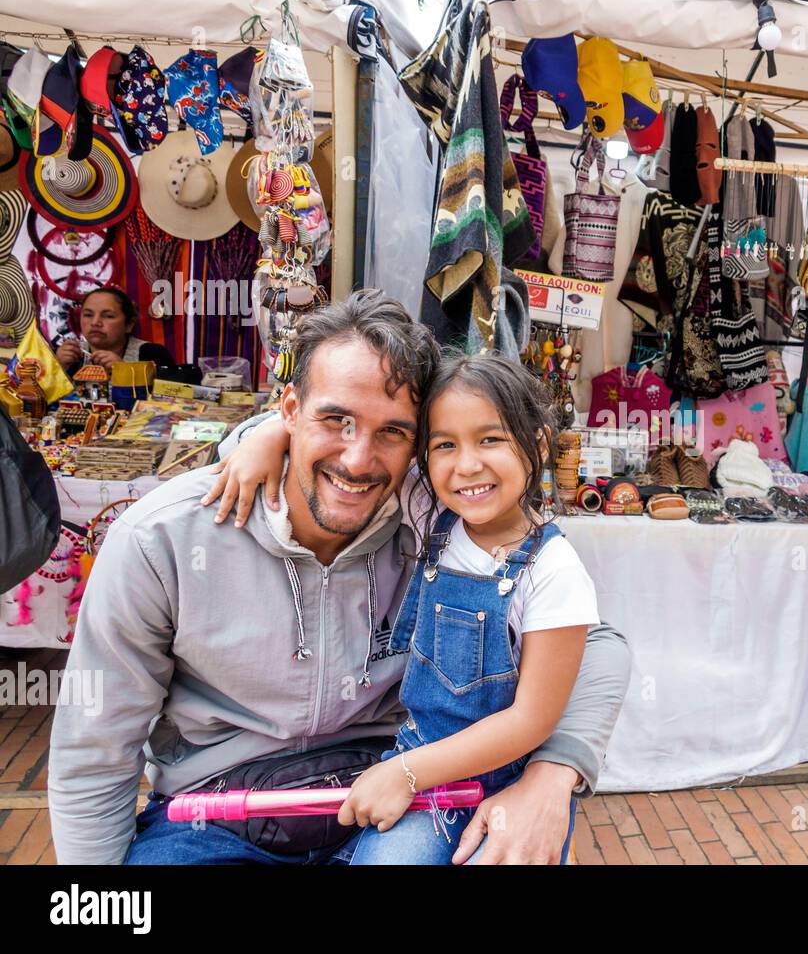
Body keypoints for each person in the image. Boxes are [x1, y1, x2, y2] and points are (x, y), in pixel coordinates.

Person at [48, 290, 630, 865]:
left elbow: (594, 644)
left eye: (392, 432)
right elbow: (95, 745)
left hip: (395, 796)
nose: (357, 460)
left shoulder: (435, 519)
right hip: (217, 816)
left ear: (414, 447)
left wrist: (553, 775)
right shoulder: (165, 539)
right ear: (289, 410)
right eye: (335, 420)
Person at [216, 351, 599, 863]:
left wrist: (405, 773)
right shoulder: (432, 514)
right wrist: (262, 437)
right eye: (445, 445)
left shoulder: (554, 572)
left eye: (491, 439)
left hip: (502, 781)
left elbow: (530, 721)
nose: (467, 465)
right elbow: (335, 434)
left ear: (538, 443)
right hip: (416, 774)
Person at [53, 287, 176, 375]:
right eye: (88, 315)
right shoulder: (70, 356)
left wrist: (125, 373)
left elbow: (175, 401)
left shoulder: (152, 354)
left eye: (108, 316)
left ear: (129, 324)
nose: (95, 322)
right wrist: (58, 368)